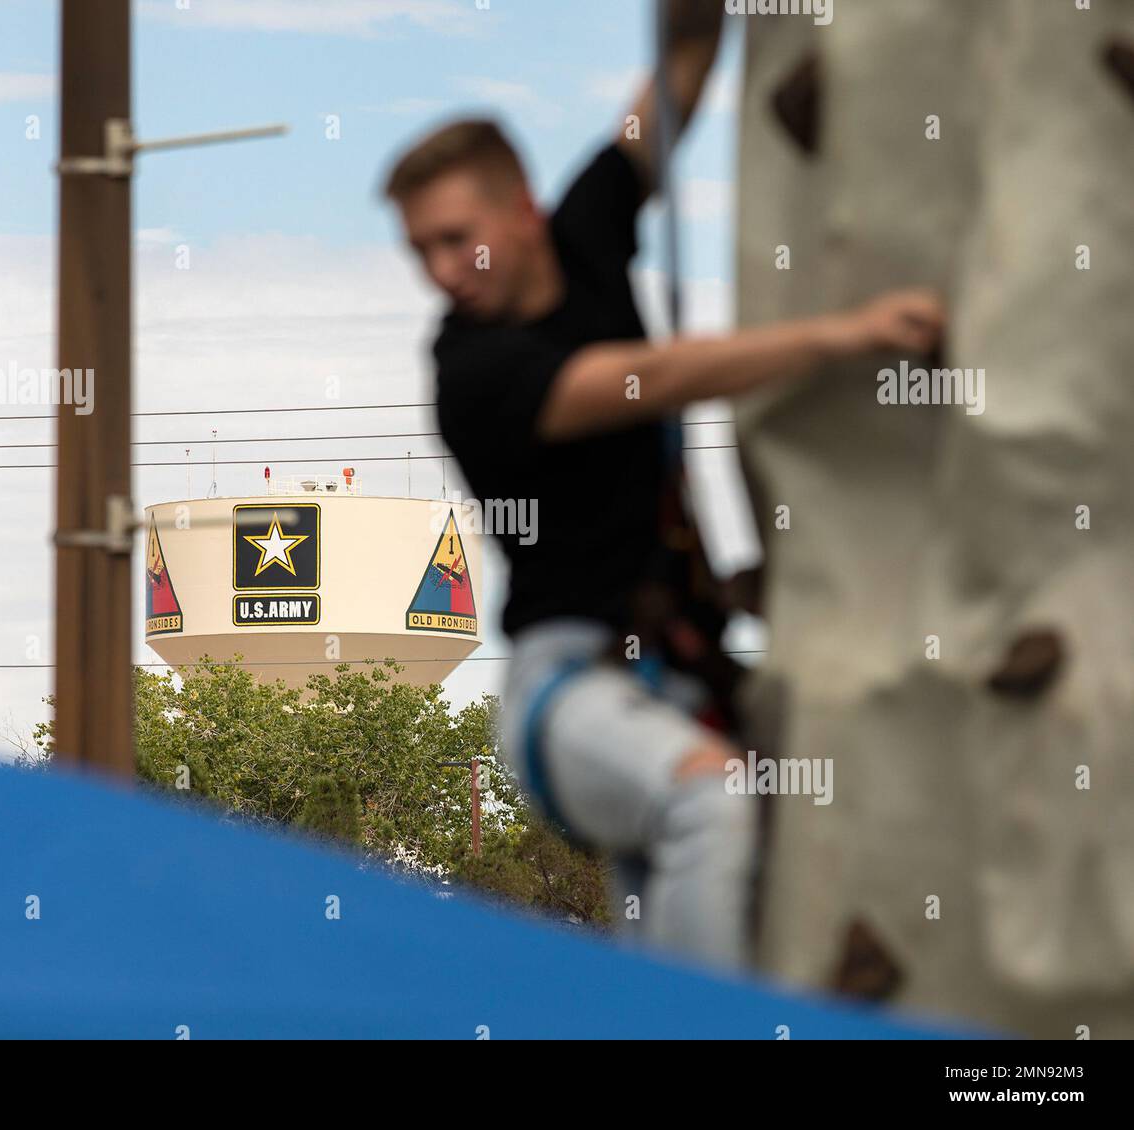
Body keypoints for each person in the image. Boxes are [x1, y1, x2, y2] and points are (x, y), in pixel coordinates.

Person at [381, 2, 943, 969]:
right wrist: (845, 335)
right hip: (569, 696)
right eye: (421, 250)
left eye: (454, 239)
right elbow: (658, 378)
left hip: (677, 677)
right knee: (710, 801)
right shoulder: (473, 373)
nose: (441, 272)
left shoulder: (589, 224)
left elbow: (681, 65)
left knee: (706, 923)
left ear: (522, 207)